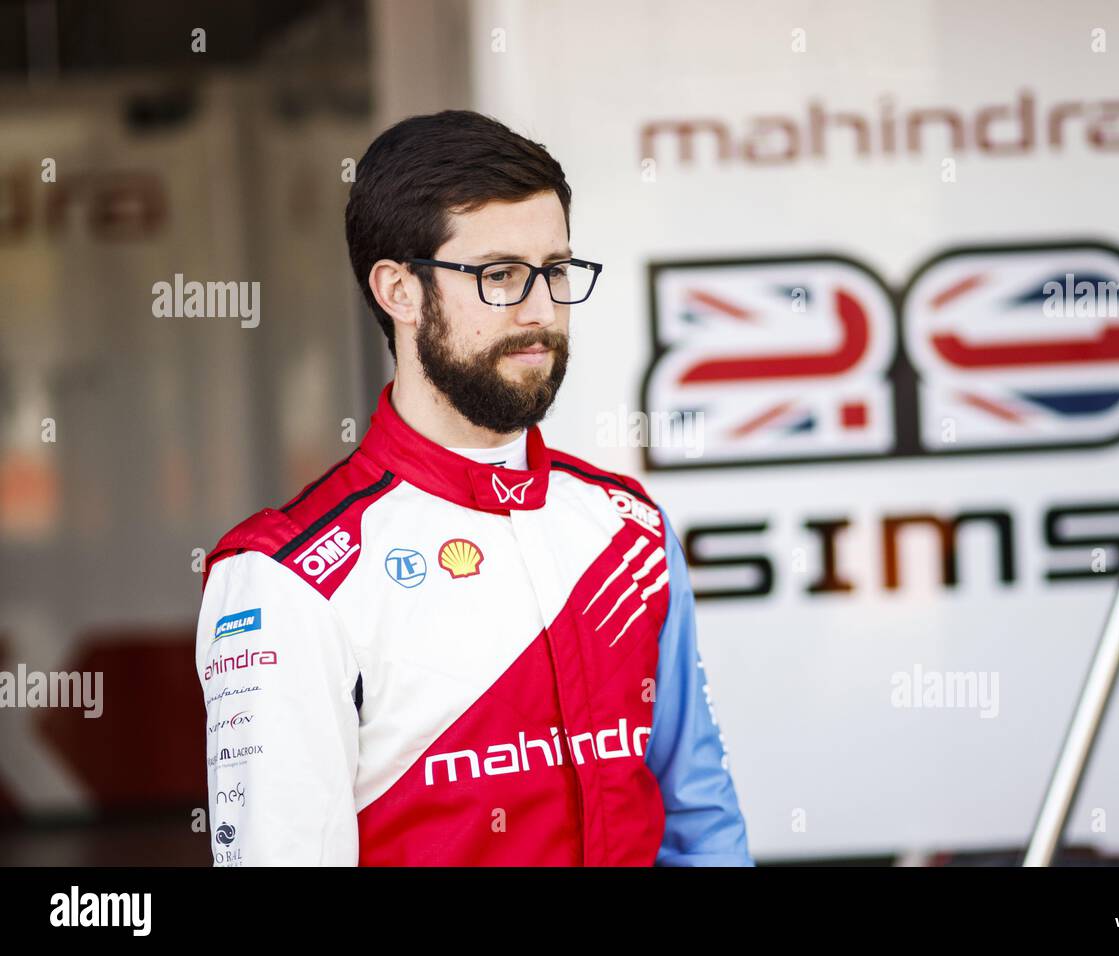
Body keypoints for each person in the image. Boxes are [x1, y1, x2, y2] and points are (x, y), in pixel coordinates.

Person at [195, 111, 753, 866]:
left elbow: (701, 821)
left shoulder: (629, 531)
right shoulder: (285, 577)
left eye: (555, 270)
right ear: (400, 291)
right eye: (498, 276)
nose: (539, 310)